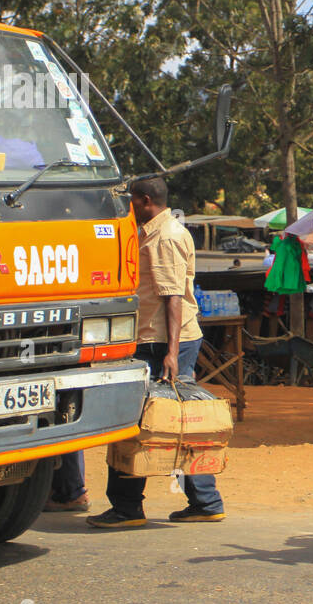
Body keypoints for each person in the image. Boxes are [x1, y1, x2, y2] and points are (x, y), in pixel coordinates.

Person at [88, 176, 227, 528]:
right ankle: (205, 502)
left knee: (138, 421)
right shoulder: (154, 231)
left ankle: (127, 507)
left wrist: (171, 352)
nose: (129, 207)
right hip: (160, 339)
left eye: (132, 200)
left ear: (145, 200)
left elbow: (173, 297)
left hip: (162, 342)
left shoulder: (165, 237)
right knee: (179, 420)